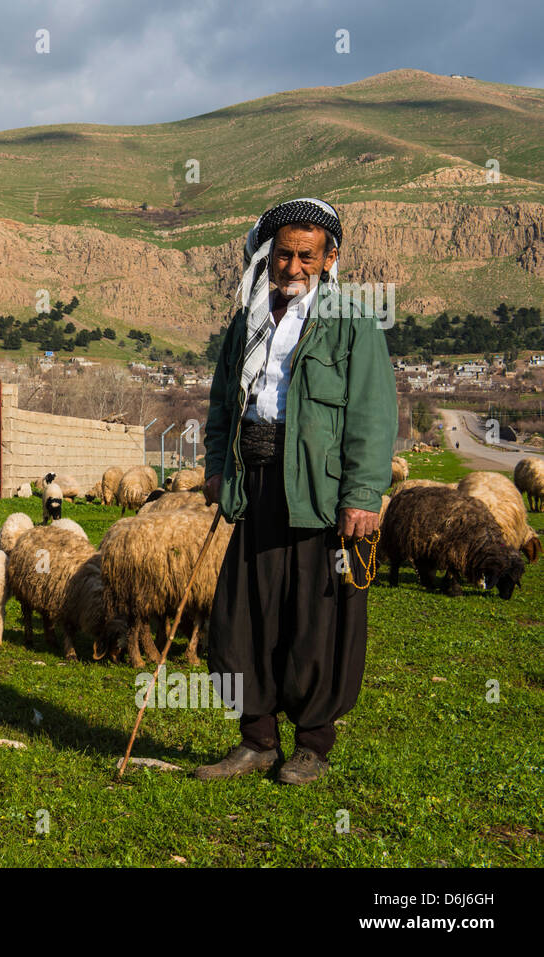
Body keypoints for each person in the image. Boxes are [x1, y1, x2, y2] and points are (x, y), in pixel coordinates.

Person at [196, 198, 398, 785]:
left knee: (317, 619)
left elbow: (372, 413)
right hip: (255, 486)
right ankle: (256, 740)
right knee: (243, 616)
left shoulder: (354, 322)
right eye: (283, 253)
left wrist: (362, 494)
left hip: (320, 492)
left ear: (329, 257)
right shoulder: (247, 321)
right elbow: (219, 405)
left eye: (306, 256)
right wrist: (216, 466)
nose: (292, 266)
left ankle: (312, 744)